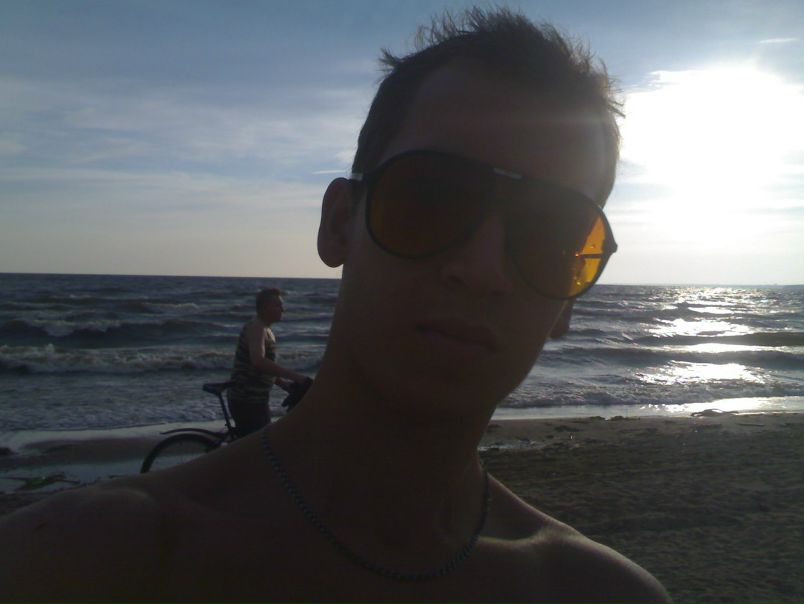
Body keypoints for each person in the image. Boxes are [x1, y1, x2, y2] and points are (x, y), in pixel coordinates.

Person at [0, 8, 672, 602]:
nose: (483, 270)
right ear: (339, 223)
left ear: (571, 296)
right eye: (431, 197)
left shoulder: (599, 592)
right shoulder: (80, 564)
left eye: (553, 235)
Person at [227, 288, 308, 435]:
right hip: (247, 399)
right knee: (261, 444)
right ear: (264, 308)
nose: (282, 309)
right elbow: (258, 361)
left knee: (263, 441)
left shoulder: (267, 330)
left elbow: (264, 367)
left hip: (258, 399)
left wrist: (284, 384)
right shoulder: (256, 327)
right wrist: (297, 377)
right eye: (277, 305)